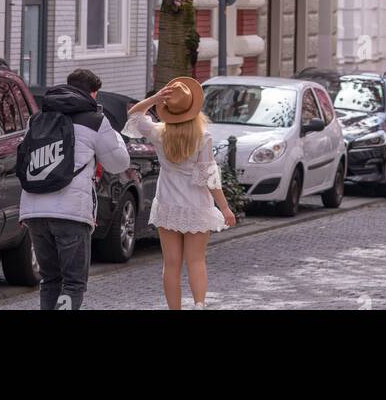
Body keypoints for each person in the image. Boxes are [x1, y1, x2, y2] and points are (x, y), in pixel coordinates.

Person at [19, 67, 130, 310]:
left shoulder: (37, 118)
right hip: (71, 213)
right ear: (93, 94)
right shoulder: (96, 121)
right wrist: (118, 136)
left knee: (50, 279)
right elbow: (119, 163)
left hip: (34, 211)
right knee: (72, 283)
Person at [124, 77, 236, 311]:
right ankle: (199, 304)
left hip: (167, 203)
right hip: (196, 203)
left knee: (171, 264)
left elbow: (133, 115)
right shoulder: (203, 136)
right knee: (196, 261)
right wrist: (224, 208)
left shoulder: (159, 133)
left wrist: (155, 99)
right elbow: (209, 175)